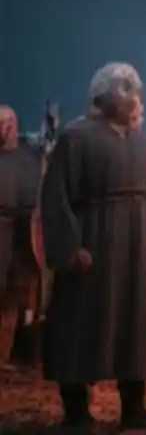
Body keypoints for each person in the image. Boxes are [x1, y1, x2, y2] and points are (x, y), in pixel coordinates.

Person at [40, 63, 146, 431]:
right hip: (94, 241)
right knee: (80, 320)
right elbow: (57, 199)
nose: (132, 98)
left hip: (136, 247)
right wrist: (70, 247)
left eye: (134, 91)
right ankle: (76, 412)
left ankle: (134, 407)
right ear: (102, 97)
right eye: (124, 91)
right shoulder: (76, 139)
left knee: (135, 320)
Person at [0, 106, 42, 367]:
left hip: (19, 237)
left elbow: (35, 198)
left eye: (5, 122)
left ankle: (3, 355)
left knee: (12, 298)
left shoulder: (29, 160)